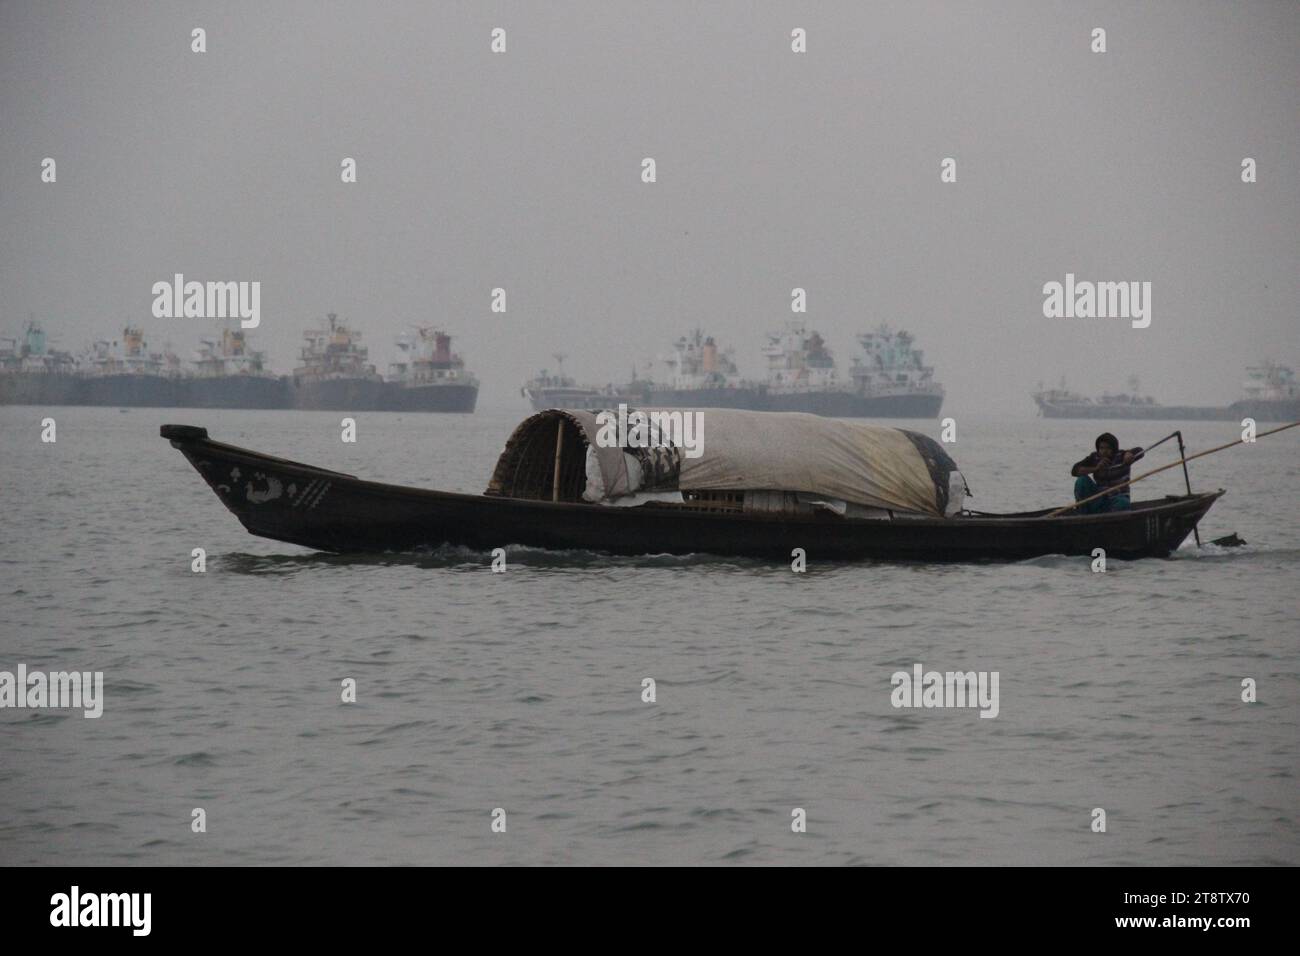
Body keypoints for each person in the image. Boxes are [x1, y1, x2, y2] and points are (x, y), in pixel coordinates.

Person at [1071, 432, 1143, 513]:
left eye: (1108, 448)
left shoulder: (1121, 456)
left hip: (1117, 499)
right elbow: (1074, 470)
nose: (1104, 451)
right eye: (1101, 448)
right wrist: (1095, 469)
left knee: (1123, 503)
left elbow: (1140, 451)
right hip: (1099, 500)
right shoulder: (1094, 457)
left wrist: (1129, 454)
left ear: (1114, 449)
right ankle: (1083, 513)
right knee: (1082, 480)